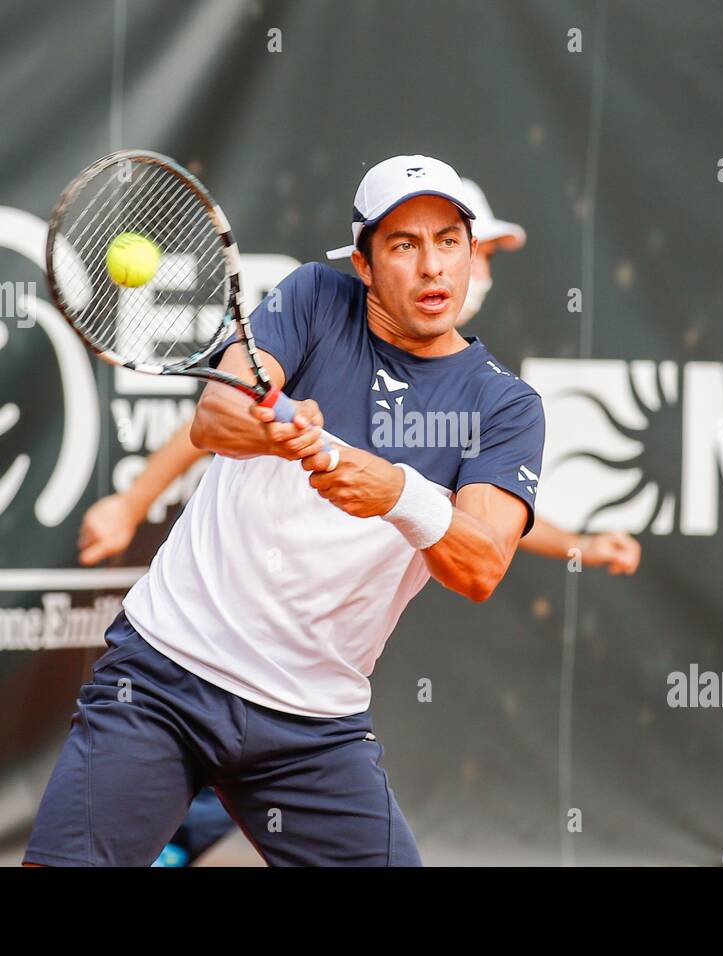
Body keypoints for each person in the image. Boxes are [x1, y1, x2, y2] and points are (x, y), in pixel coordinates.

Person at [74, 174, 641, 866]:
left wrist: (399, 493)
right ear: (364, 265)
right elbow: (214, 417)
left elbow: (484, 560)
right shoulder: (314, 297)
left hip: (313, 720)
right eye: (404, 244)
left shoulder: (505, 406)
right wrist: (269, 431)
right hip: (168, 669)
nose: (435, 265)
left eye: (453, 244)